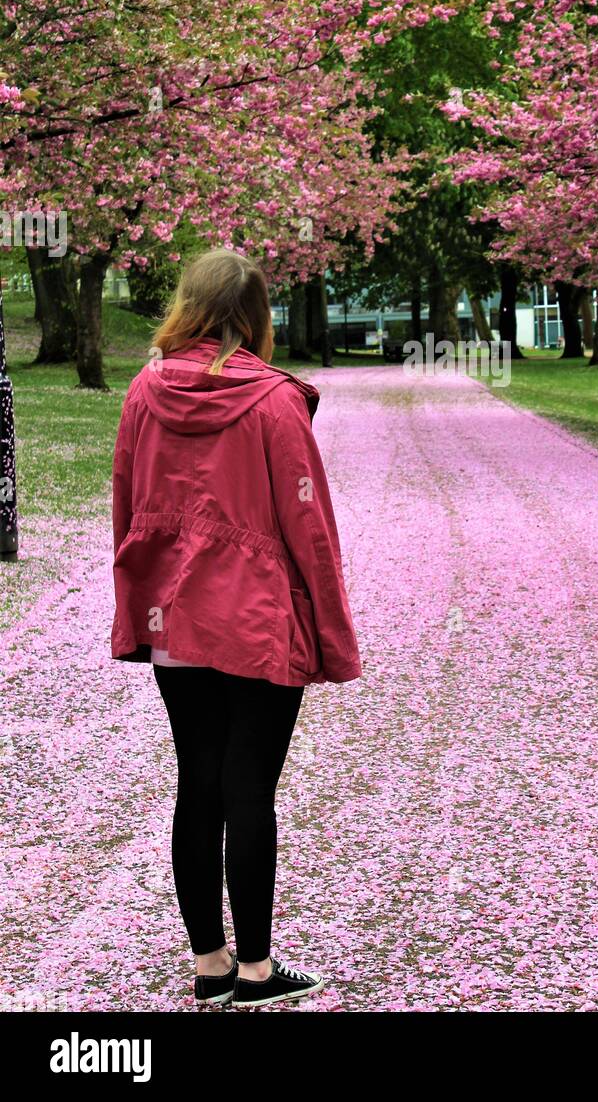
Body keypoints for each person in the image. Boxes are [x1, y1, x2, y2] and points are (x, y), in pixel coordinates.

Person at [109, 248, 362, 1009]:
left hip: (174, 620)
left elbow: (126, 501)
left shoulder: (144, 391)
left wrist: (138, 598)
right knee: (250, 790)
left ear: (187, 304)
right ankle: (255, 972)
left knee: (199, 785)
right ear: (255, 316)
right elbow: (307, 522)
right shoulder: (274, 401)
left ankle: (209, 963)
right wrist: (330, 627)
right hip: (254, 619)